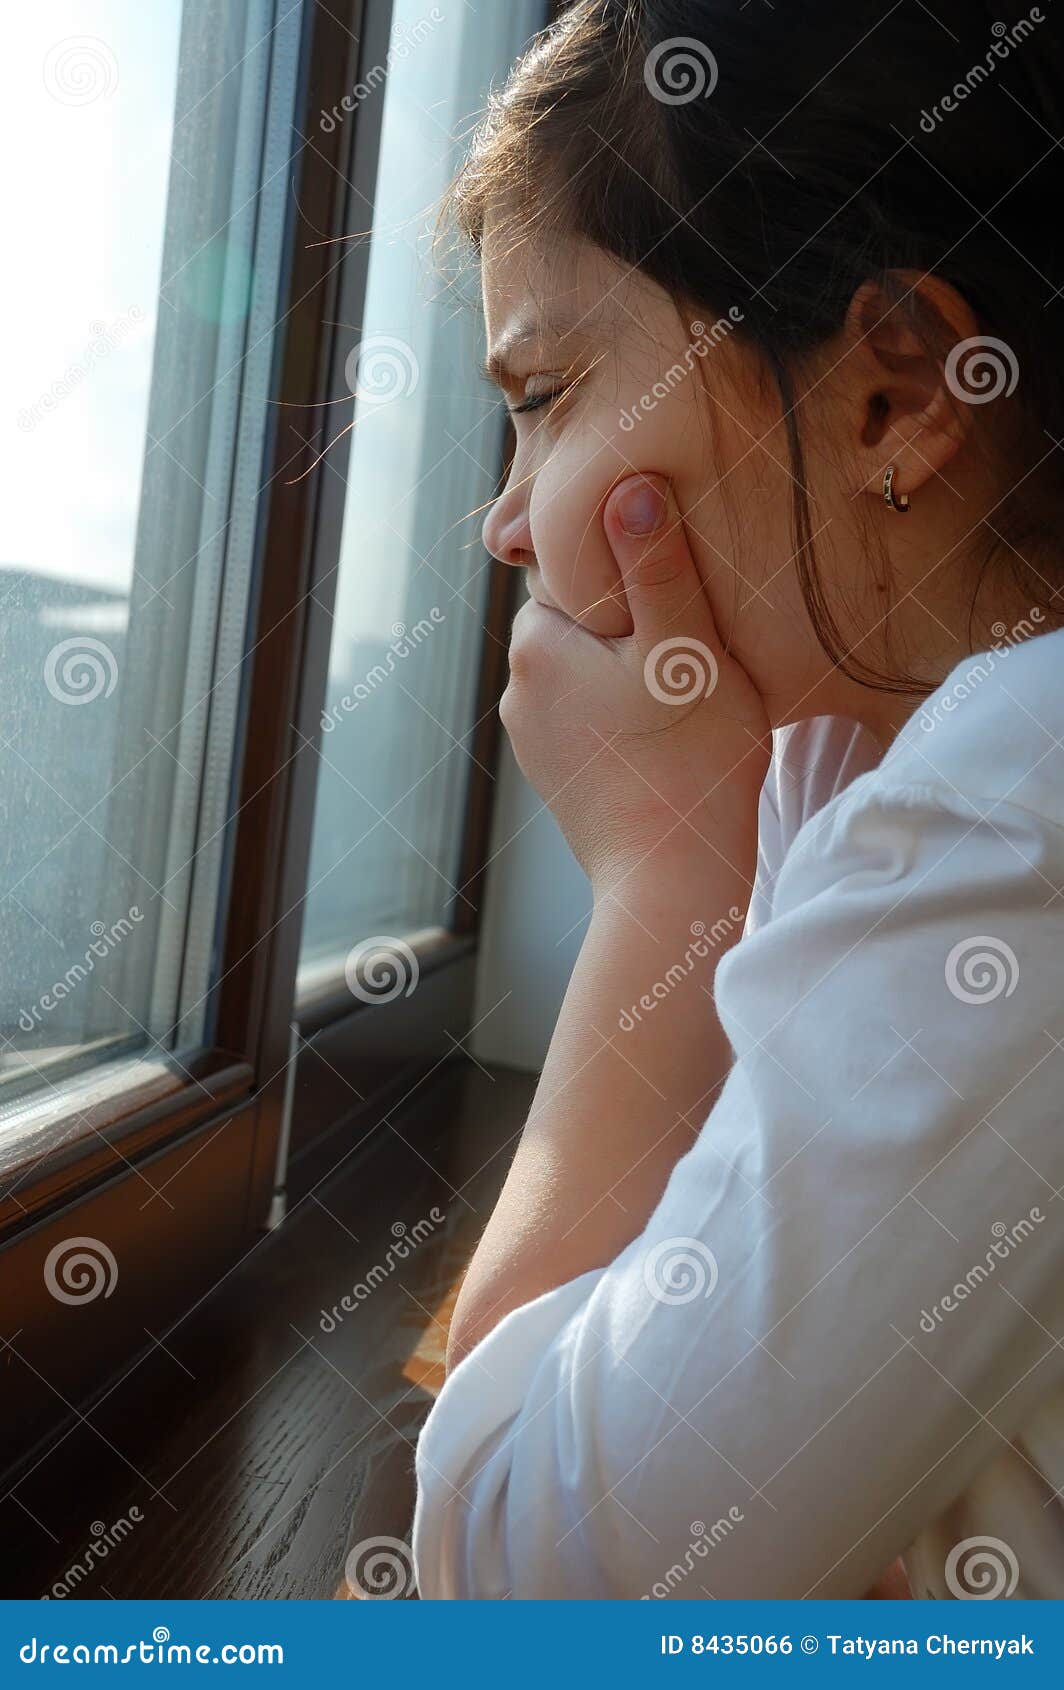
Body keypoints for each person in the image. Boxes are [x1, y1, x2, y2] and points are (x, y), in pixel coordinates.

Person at [413, 0, 1064, 1599]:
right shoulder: (868, 759)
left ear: (895, 397)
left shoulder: (1018, 811)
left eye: (546, 392)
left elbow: (529, 1585)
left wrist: (658, 877)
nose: (505, 522)